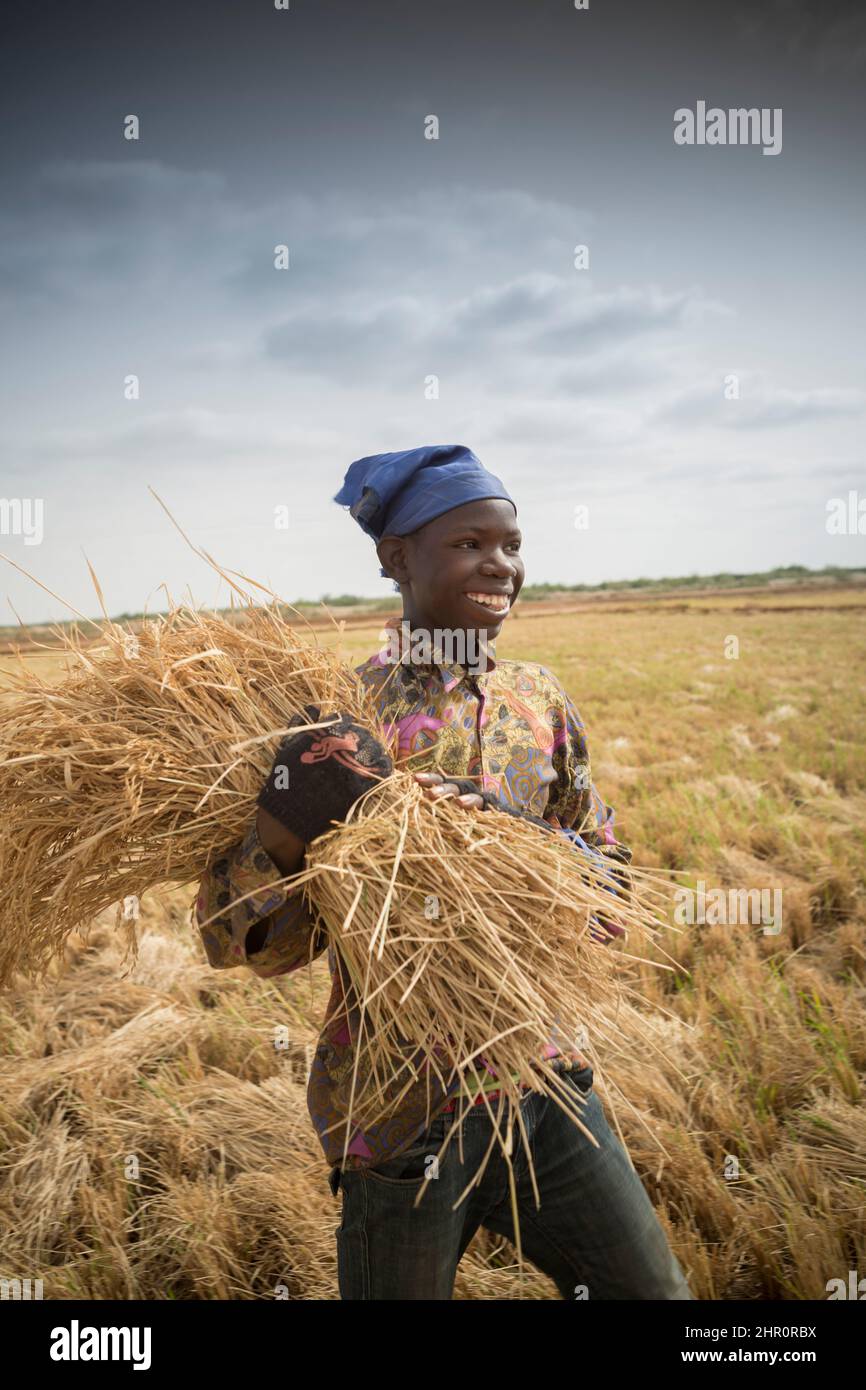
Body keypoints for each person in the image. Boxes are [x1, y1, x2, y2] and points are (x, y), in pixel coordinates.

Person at [194, 444, 694, 1301]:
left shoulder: (541, 702)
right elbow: (238, 946)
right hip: (397, 1120)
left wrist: (520, 847)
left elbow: (611, 883)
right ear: (396, 559)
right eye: (468, 543)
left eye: (510, 544)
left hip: (546, 1084)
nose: (499, 564)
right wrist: (286, 827)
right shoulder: (336, 722)